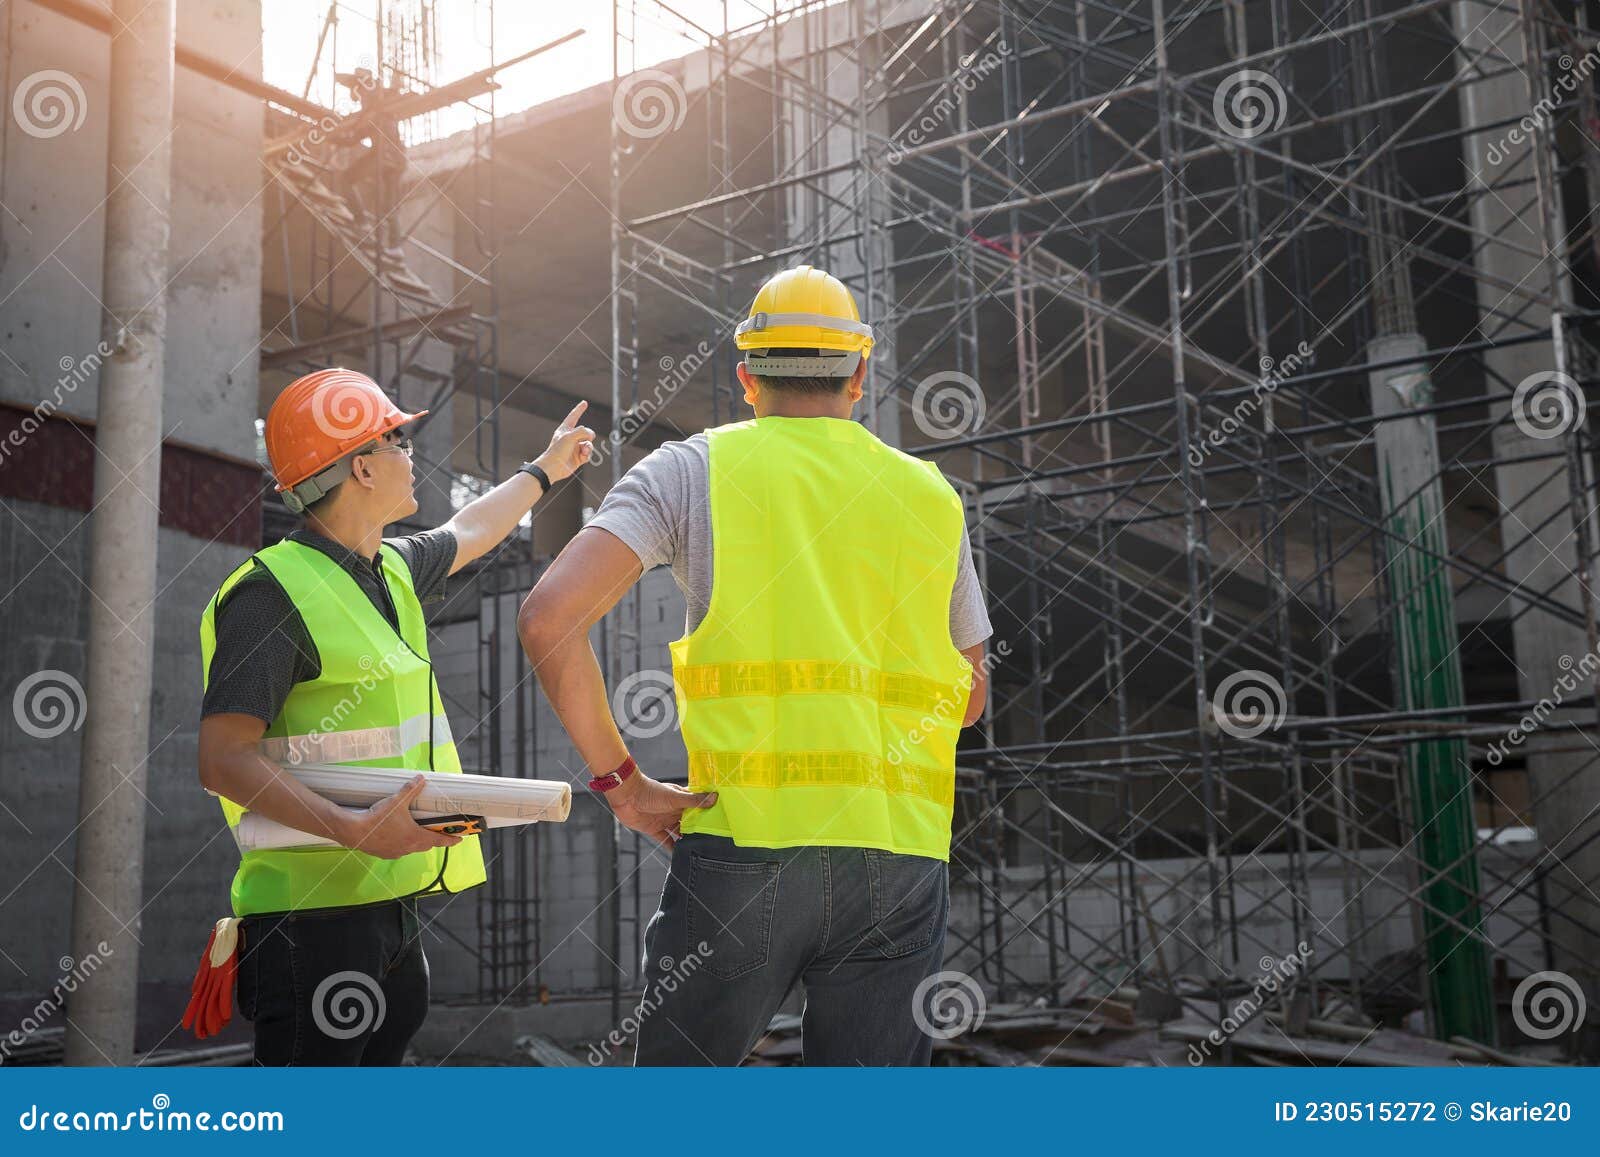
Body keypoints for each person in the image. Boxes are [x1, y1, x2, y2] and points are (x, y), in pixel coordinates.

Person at [519, 265, 993, 1065]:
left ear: (746, 377)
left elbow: (546, 618)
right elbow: (972, 698)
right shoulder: (931, 495)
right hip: (901, 858)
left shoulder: (689, 469)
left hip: (746, 846)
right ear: (860, 373)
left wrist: (622, 784)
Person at [197, 367, 593, 1064]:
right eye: (399, 440)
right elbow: (223, 757)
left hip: (391, 905)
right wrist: (354, 830)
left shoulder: (390, 569)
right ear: (361, 469)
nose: (413, 455)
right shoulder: (269, 595)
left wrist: (545, 469)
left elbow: (471, 526)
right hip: (311, 920)